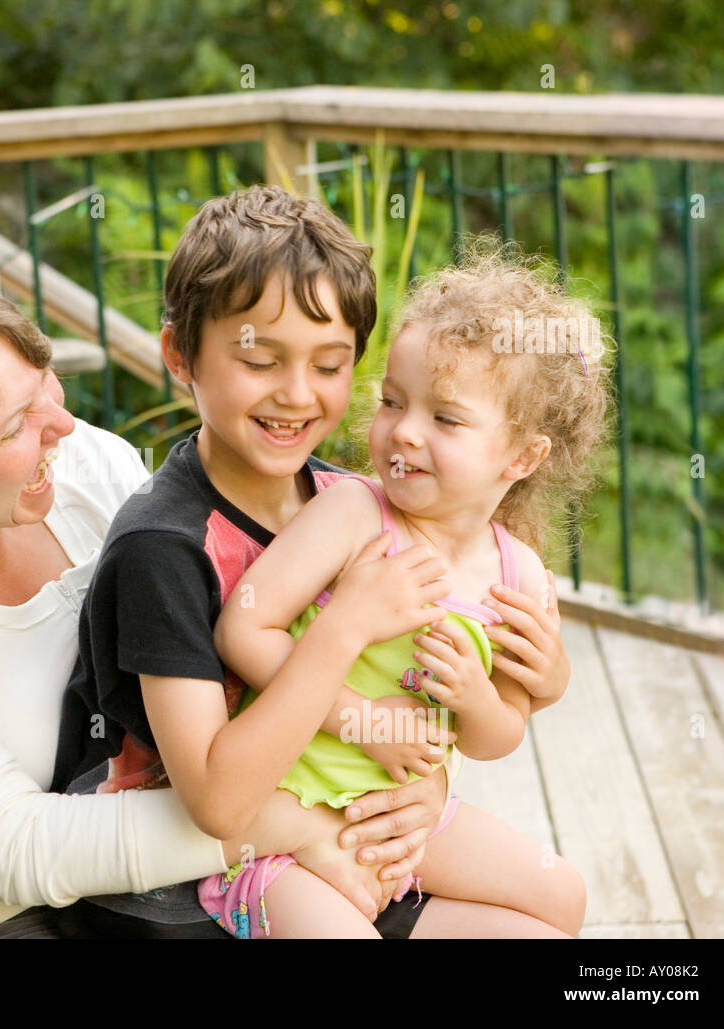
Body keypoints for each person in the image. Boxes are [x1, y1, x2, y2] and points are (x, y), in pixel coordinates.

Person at [0, 266, 451, 939]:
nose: (63, 425)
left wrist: (414, 790)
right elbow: (3, 846)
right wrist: (300, 824)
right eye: (15, 425)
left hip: (189, 874)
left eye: (44, 378)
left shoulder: (80, 472)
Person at [51, 188, 574, 938]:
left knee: (557, 914)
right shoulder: (161, 550)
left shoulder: (340, 493)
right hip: (193, 876)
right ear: (179, 354)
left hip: (352, 825)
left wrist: (458, 761)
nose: (296, 393)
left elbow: (421, 693)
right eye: (260, 358)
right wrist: (351, 649)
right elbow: (218, 803)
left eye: (330, 365)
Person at [202, 241, 605, 937]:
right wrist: (365, 720)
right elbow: (242, 629)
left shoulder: (520, 575)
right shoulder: (356, 514)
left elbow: (497, 733)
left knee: (561, 896)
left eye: (444, 418)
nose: (403, 432)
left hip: (408, 819)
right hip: (290, 819)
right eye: (392, 400)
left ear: (522, 455)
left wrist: (478, 699)